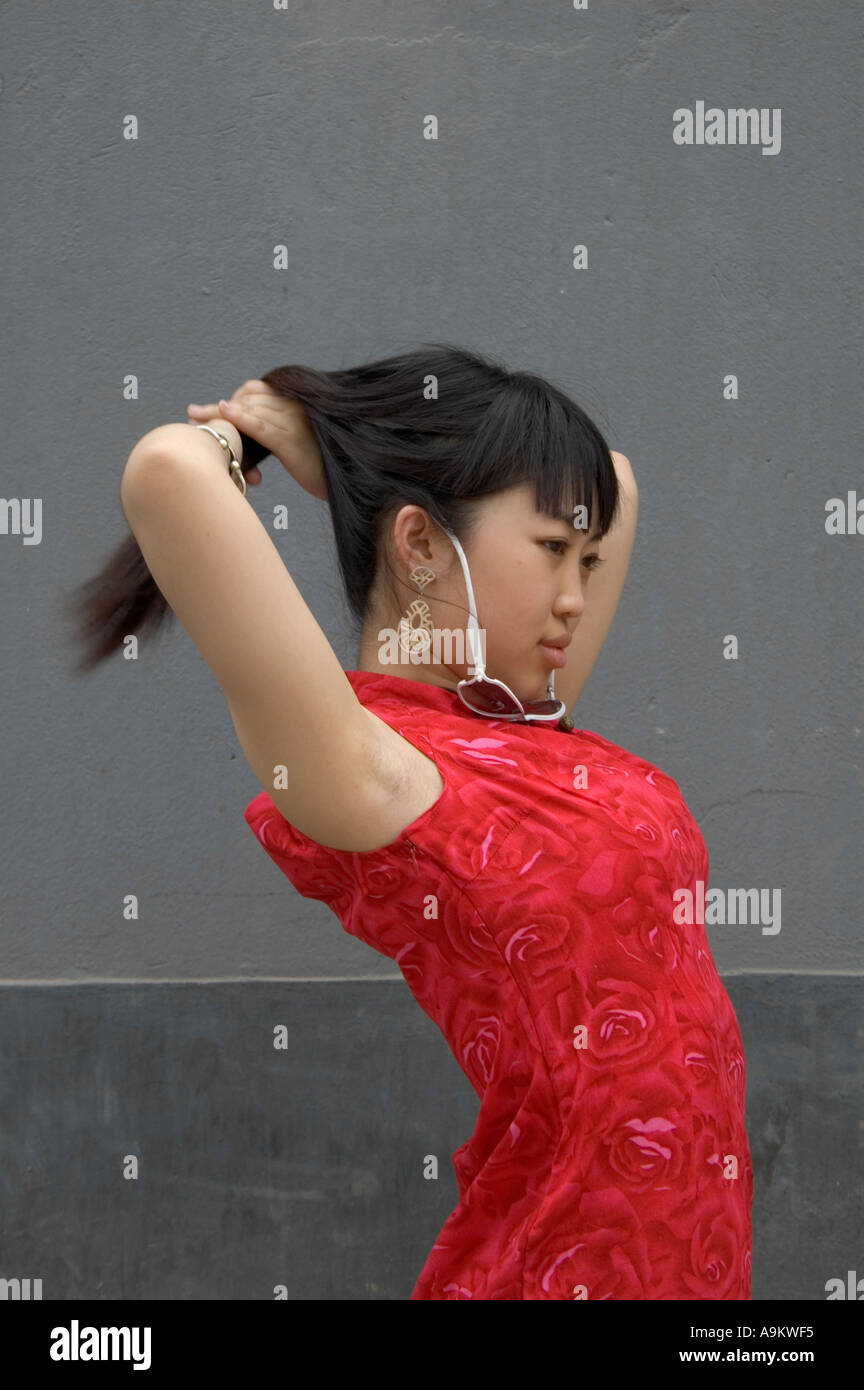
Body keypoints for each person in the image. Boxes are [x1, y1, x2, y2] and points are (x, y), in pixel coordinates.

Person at [69, 342, 753, 1299]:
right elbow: (167, 470)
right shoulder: (372, 767)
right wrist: (255, 436)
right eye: (554, 551)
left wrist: (351, 448)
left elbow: (619, 486)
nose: (575, 598)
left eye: (586, 562)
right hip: (557, 1266)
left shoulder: (529, 719)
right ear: (423, 545)